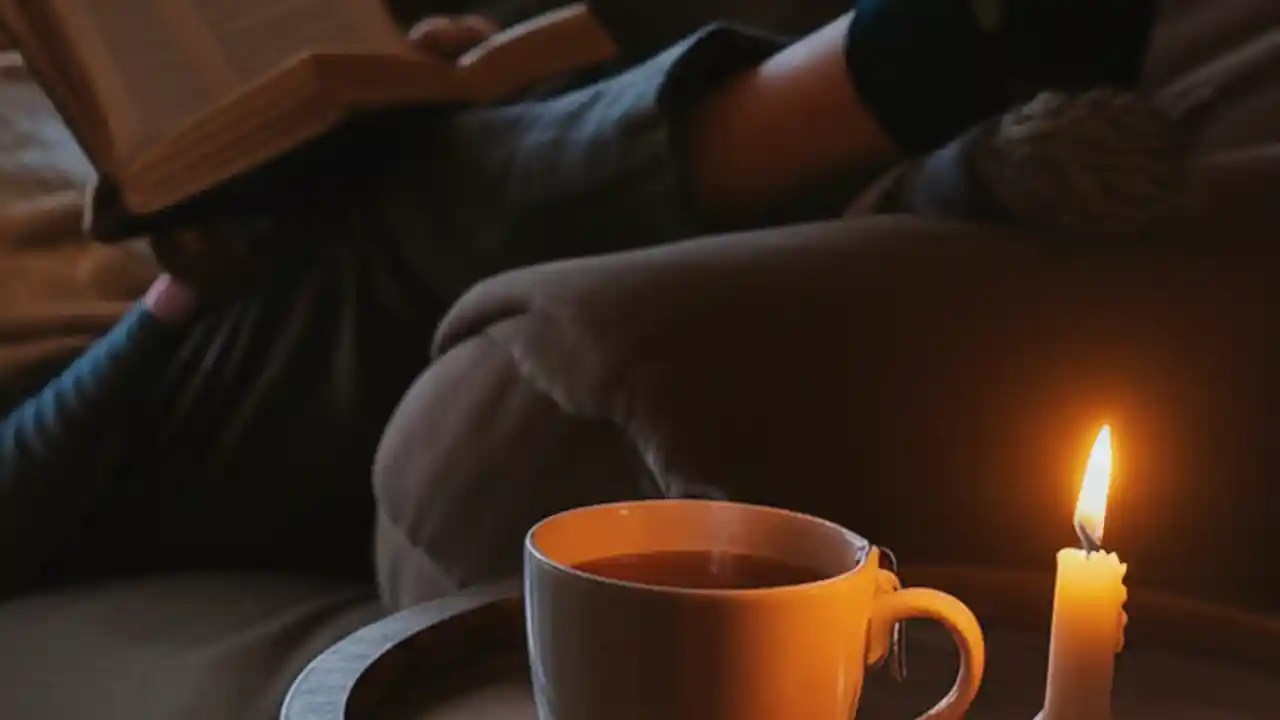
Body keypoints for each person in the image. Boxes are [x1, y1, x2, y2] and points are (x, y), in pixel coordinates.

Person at [0, 1, 1156, 597]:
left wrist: (415, 71)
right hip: (123, 414)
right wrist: (172, 305)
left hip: (235, 257)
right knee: (397, 229)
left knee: (474, 109)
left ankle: (922, 166)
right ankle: (907, 78)